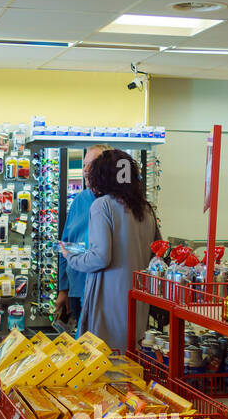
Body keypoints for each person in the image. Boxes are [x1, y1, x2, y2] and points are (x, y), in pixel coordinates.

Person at [60, 148, 160, 353]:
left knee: (103, 362)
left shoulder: (102, 206)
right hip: (138, 299)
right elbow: (155, 253)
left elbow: (100, 257)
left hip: (108, 300)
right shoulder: (145, 209)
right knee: (131, 362)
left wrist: (71, 257)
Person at [55, 143, 110, 331]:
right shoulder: (80, 200)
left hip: (106, 291)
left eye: (92, 164)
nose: (86, 170)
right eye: (85, 164)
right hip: (78, 288)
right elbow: (65, 244)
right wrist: (63, 289)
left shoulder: (118, 204)